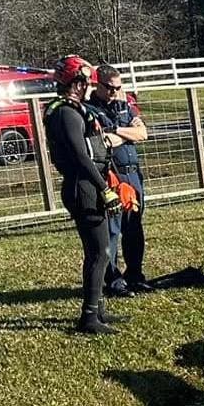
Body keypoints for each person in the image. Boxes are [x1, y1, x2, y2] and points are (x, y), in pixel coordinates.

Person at [43, 54, 125, 335]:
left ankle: (98, 311)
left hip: (92, 183)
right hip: (83, 187)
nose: (89, 87)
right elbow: (80, 156)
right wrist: (105, 191)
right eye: (86, 82)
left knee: (98, 251)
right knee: (100, 252)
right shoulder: (65, 113)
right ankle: (89, 317)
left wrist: (110, 180)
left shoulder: (75, 109)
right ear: (76, 83)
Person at [90, 65, 152, 295]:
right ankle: (114, 280)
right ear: (98, 84)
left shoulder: (125, 105)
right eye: (110, 88)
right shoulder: (91, 110)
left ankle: (135, 274)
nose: (115, 92)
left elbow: (143, 134)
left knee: (134, 226)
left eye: (119, 87)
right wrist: (127, 133)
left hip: (133, 173)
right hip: (111, 174)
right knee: (112, 230)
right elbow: (102, 141)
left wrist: (117, 130)